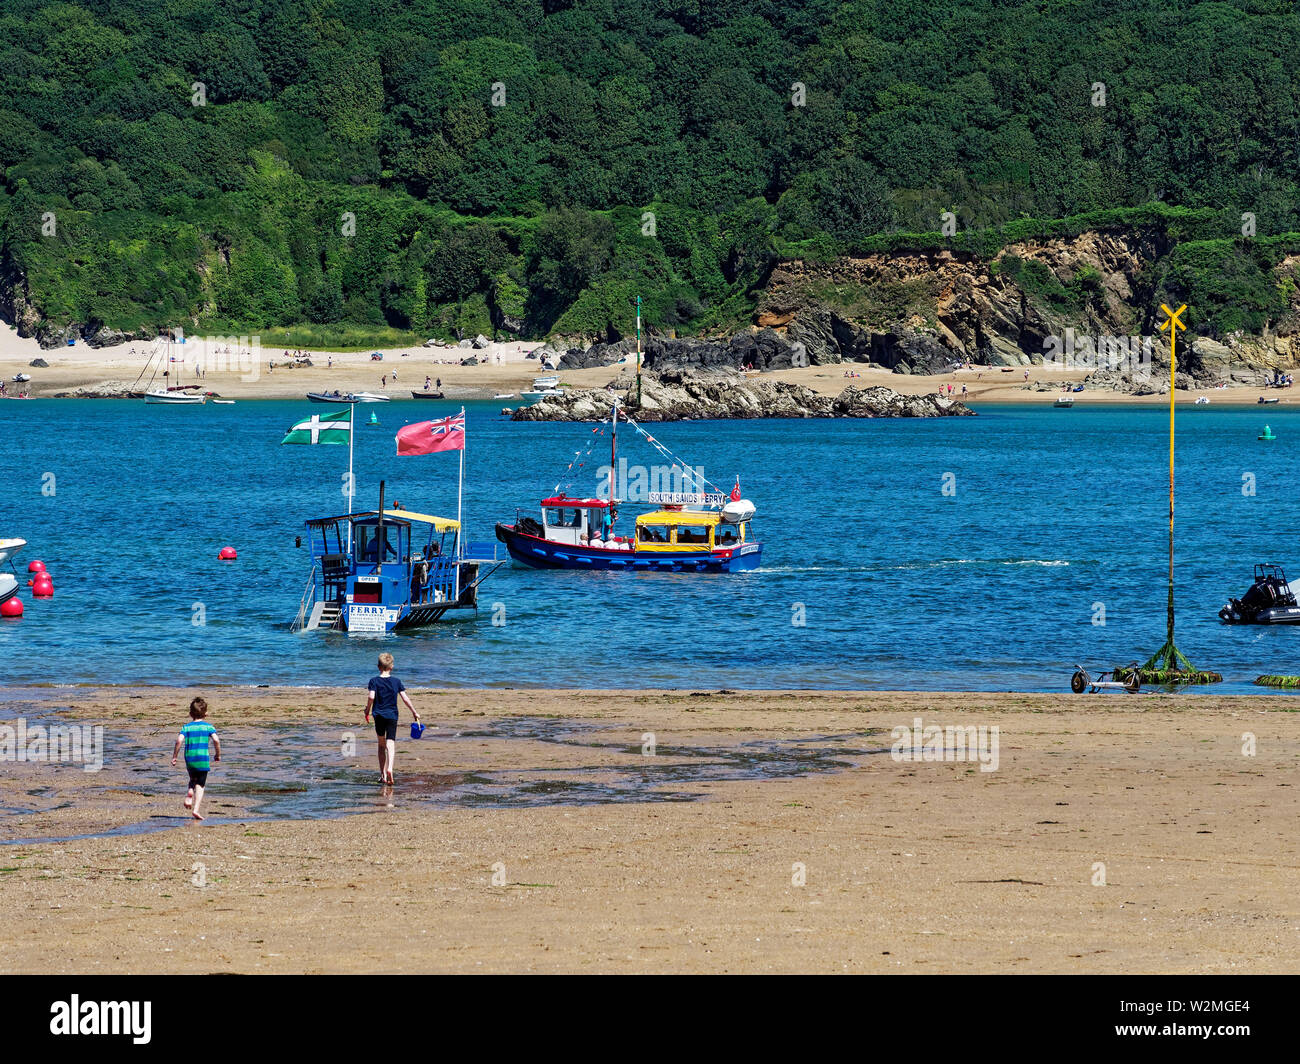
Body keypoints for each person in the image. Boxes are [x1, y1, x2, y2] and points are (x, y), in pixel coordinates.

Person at [365, 652, 420, 785]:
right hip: (392, 716)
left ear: (378, 667)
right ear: (391, 667)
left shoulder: (374, 681)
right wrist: (414, 712)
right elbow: (405, 698)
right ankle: (390, 768)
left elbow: (371, 697)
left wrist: (367, 709)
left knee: (381, 744)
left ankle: (383, 774)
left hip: (378, 715)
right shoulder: (396, 681)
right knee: (391, 742)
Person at [171, 697, 220, 820]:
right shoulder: (208, 727)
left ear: (190, 714)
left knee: (193, 778)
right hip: (202, 759)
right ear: (206, 714)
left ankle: (189, 793)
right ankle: (196, 809)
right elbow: (216, 740)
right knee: (201, 784)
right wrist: (217, 754)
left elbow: (178, 741)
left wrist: (174, 756)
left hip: (190, 758)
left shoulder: (186, 727)